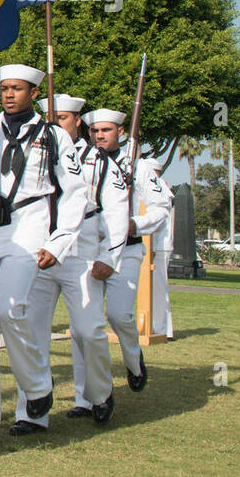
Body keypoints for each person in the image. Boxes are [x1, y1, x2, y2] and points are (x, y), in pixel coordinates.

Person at [0, 64, 88, 449]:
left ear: (34, 93)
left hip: (29, 227)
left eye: (17, 89)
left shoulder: (52, 137)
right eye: (4, 89)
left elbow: (76, 190)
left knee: (9, 307)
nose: (9, 95)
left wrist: (59, 240)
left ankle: (36, 384)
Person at [21, 95, 123, 426]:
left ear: (77, 121)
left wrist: (110, 254)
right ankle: (32, 412)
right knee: (32, 332)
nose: (55, 124)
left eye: (62, 118)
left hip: (82, 254)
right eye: (50, 117)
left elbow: (117, 210)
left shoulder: (99, 161)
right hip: (40, 251)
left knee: (88, 330)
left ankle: (99, 393)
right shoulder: (31, 151)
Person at [81, 109, 170, 386]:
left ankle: (133, 362)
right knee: (86, 322)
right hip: (90, 250)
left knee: (119, 315)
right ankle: (91, 391)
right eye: (94, 131)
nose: (99, 136)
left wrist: (133, 224)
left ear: (120, 132)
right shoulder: (81, 162)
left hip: (127, 251)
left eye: (105, 130)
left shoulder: (139, 167)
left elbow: (162, 207)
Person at [145, 157, 175, 340]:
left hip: (158, 246)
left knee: (159, 289)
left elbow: (158, 222)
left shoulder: (160, 189)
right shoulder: (163, 187)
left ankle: (162, 327)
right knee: (156, 290)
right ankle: (161, 326)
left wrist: (152, 246)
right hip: (157, 245)